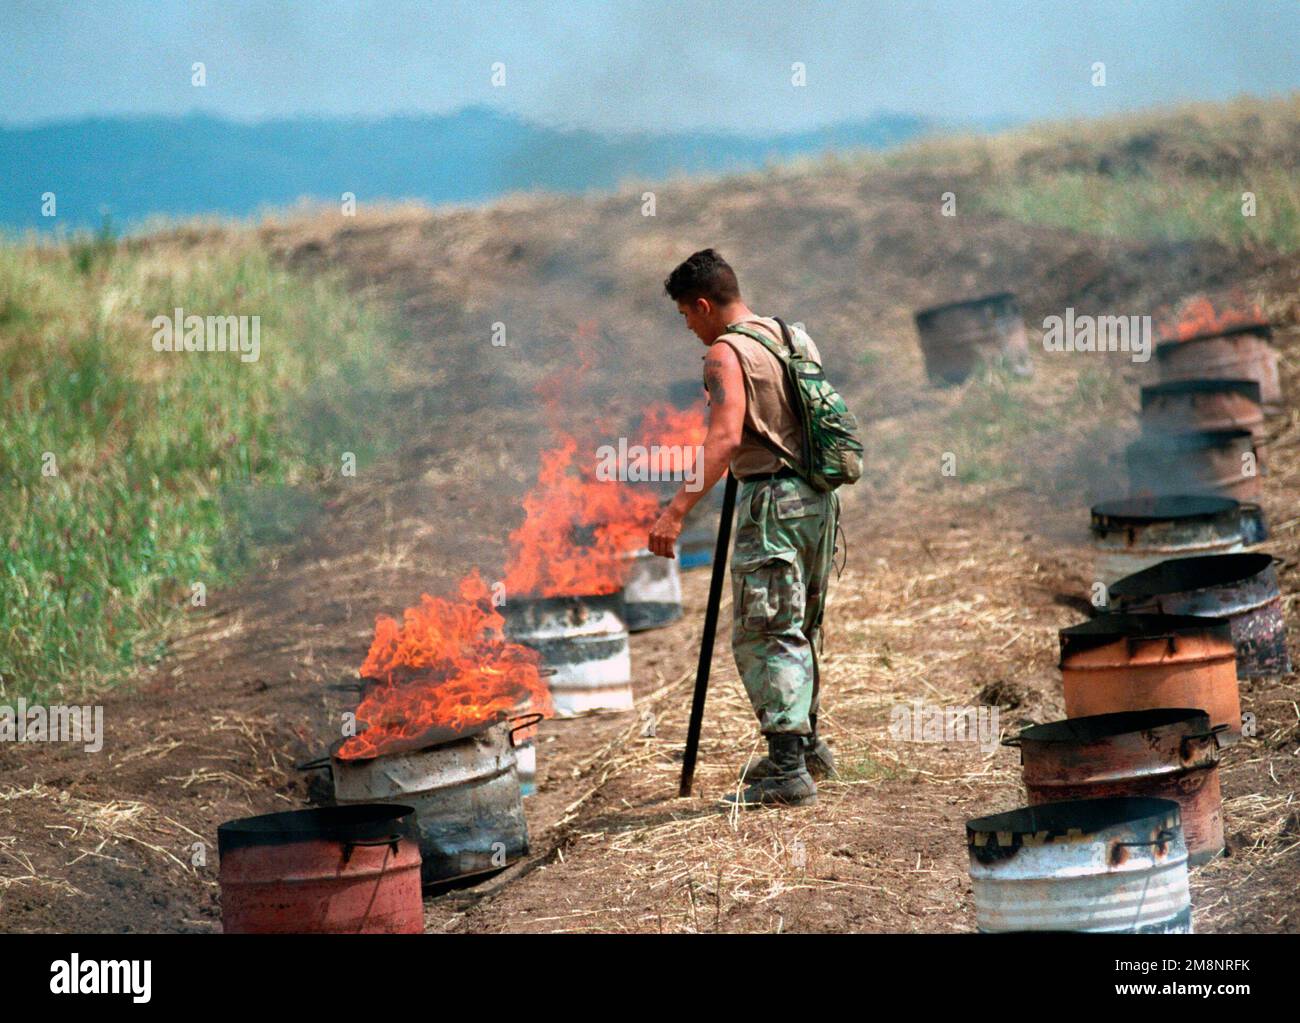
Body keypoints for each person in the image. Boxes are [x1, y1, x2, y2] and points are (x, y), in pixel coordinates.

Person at [648, 249, 838, 808]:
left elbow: (725, 439)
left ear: (704, 305)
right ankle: (806, 747)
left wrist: (676, 510)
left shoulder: (725, 353)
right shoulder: (792, 337)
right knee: (801, 623)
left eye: (686, 314)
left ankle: (788, 772)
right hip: (817, 500)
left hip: (771, 504)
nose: (689, 327)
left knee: (766, 631)